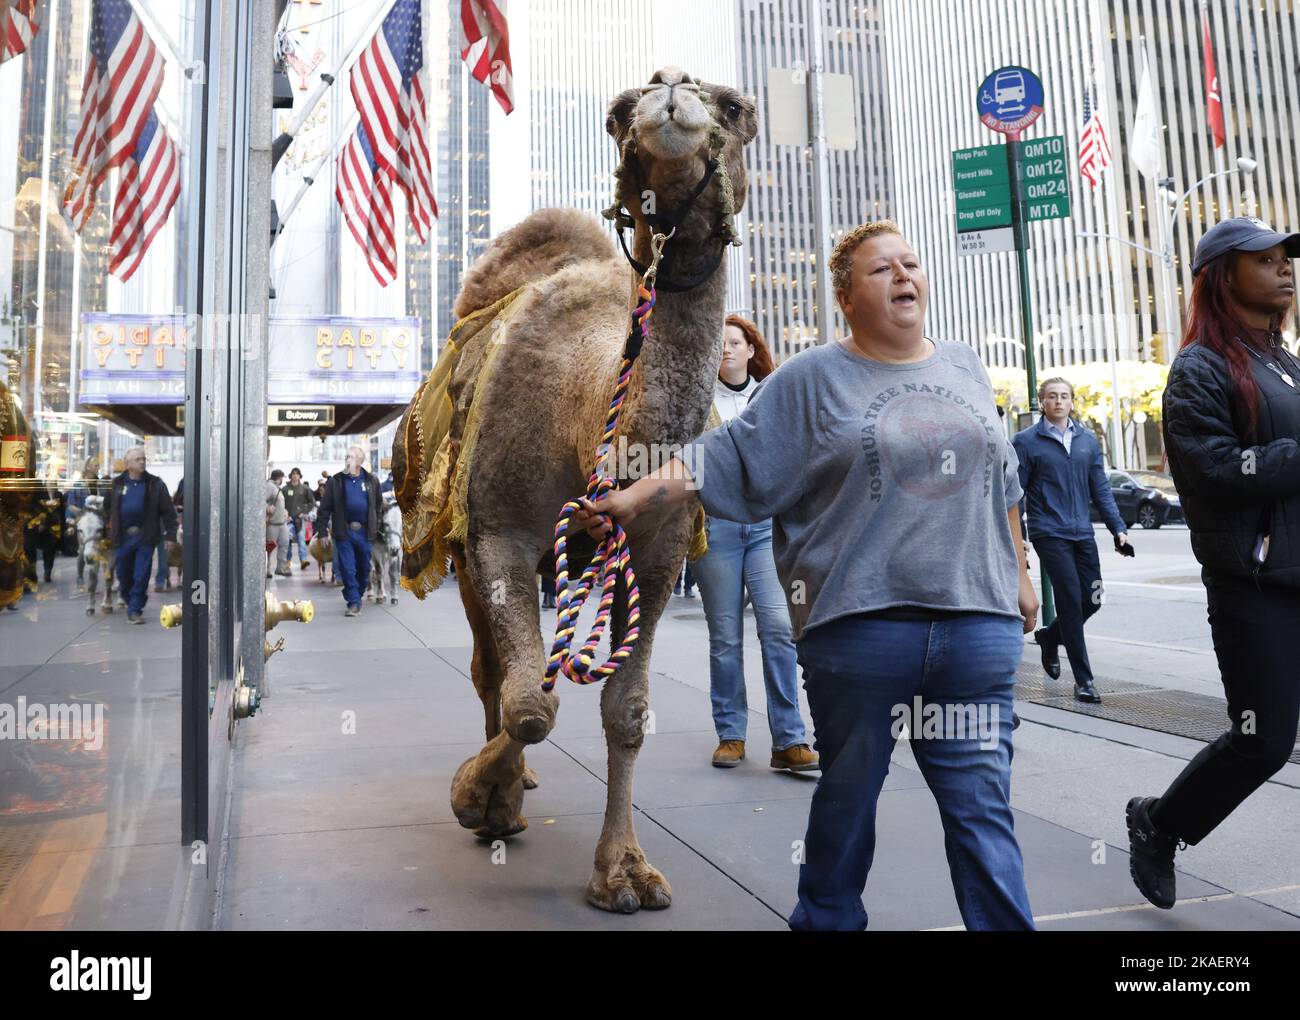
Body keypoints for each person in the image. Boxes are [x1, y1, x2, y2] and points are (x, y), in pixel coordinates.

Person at [575, 220, 1038, 931]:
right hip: (861, 633)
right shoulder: (811, 380)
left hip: (977, 629)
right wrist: (631, 495)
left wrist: (1021, 573)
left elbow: (1002, 477)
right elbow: (715, 459)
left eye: (911, 264)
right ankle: (825, 918)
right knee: (848, 800)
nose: (904, 276)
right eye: (883, 269)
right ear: (847, 297)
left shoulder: (966, 366)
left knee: (983, 811)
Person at [1127, 216, 1300, 911]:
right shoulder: (1200, 368)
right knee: (1262, 744)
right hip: (1254, 584)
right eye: (1267, 259)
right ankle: (1159, 825)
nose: (1286, 268)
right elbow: (1214, 470)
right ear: (1224, 276)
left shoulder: (1283, 362)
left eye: (1287, 258)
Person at [692, 314, 816, 771]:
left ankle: (789, 739)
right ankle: (731, 734)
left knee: (779, 630)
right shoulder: (696, 401)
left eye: (734, 342)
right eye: (718, 343)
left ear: (750, 349)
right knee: (725, 637)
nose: (725, 349)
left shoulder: (771, 396)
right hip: (716, 529)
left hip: (766, 528)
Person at [1013, 377, 1129, 704]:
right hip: (1049, 532)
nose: (1059, 402)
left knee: (1092, 598)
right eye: (1052, 397)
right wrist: (1020, 537)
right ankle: (1084, 681)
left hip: (1082, 532)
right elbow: (1017, 495)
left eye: (1064, 396)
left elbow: (1101, 490)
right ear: (1043, 402)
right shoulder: (1026, 442)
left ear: (1072, 402)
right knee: (1069, 599)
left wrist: (1118, 528)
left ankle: (1050, 636)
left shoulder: (1087, 441)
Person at [104, 447, 178, 624]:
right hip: (122, 538)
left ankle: (135, 609)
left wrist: (170, 536)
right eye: (138, 459)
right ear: (127, 463)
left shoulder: (155, 484)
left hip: (145, 536)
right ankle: (132, 601)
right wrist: (108, 529)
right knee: (123, 574)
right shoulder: (117, 484)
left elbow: (168, 512)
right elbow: (107, 509)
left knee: (141, 574)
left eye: (143, 459)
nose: (142, 462)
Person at [317, 446, 383, 616]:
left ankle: (355, 593)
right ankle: (353, 602)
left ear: (360, 461)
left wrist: (377, 525)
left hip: (365, 532)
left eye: (351, 457)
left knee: (364, 569)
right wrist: (323, 532)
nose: (347, 460)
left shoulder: (371, 480)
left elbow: (378, 506)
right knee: (348, 568)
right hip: (344, 532)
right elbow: (324, 509)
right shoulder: (336, 481)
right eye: (346, 456)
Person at [281, 467, 316, 570]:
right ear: (290, 475)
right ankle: (288, 560)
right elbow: (280, 503)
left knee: (301, 540)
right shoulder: (285, 489)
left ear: (300, 476)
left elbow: (312, 502)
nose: (295, 475)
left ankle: (303, 560)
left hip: (300, 519)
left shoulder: (305, 488)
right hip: (288, 519)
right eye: (293, 473)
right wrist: (283, 513)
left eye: (297, 474)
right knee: (288, 541)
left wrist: (304, 512)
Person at [265, 469, 291, 578]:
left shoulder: (277, 488)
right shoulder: (270, 487)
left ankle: (280, 568)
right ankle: (267, 569)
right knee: (269, 548)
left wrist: (284, 511)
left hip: (281, 522)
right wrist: (266, 508)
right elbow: (261, 500)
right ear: (279, 478)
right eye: (282, 478)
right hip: (272, 523)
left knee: (284, 544)